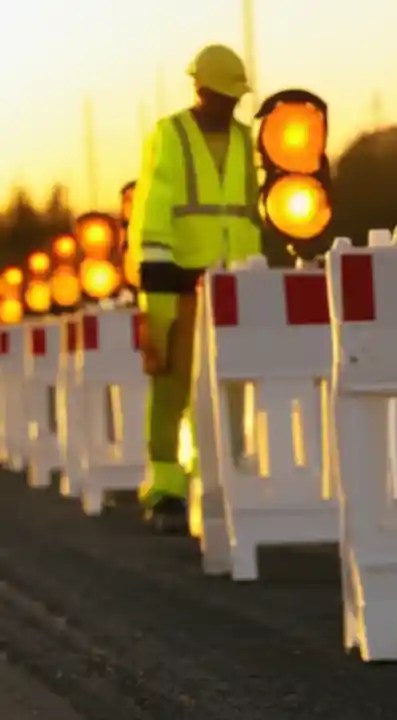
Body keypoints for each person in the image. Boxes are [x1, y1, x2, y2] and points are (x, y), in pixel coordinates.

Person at [126, 44, 262, 533]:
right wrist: (158, 281)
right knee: (171, 387)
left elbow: (254, 209)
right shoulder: (171, 135)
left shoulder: (248, 142)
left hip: (236, 285)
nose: (230, 106)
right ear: (200, 91)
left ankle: (220, 481)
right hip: (179, 282)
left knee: (230, 390)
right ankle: (166, 489)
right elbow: (154, 210)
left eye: (235, 97)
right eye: (222, 95)